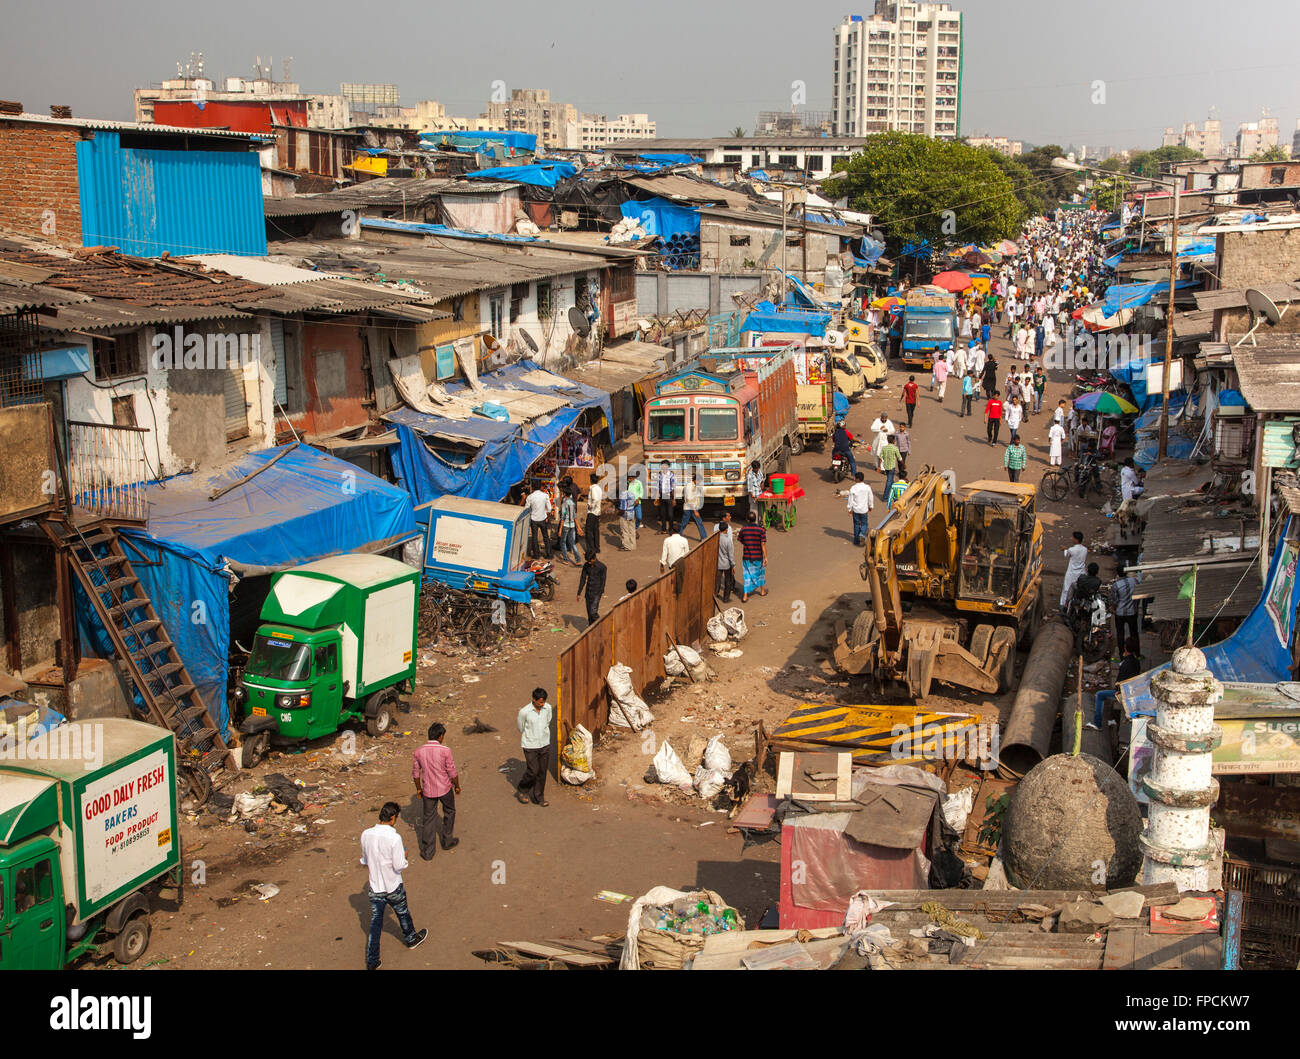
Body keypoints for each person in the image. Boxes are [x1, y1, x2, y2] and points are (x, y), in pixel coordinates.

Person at [361, 802, 427, 970]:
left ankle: (372, 960)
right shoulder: (394, 838)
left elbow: (364, 860)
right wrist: (404, 856)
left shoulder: (366, 834)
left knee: (375, 924)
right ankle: (411, 938)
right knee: (403, 913)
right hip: (392, 884)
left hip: (375, 886)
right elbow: (398, 865)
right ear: (392, 818)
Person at [412, 722, 459, 860]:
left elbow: (415, 774)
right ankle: (447, 840)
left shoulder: (418, 752)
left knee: (428, 819)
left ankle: (428, 851)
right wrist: (457, 786)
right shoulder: (445, 751)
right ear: (440, 736)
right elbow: (452, 771)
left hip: (428, 791)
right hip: (444, 788)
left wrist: (419, 789)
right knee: (449, 812)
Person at [1087, 643, 1142, 730]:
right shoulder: (1136, 662)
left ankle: (1097, 724)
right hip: (1133, 690)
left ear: (1126, 649)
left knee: (1100, 695)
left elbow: (1120, 681)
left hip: (1123, 692)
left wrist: (1117, 690)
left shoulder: (1125, 663)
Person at [516, 688, 553, 806]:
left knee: (542, 771)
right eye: (540, 702)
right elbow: (521, 727)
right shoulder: (524, 712)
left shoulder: (548, 708)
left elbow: (548, 722)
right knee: (533, 770)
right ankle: (523, 789)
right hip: (530, 745)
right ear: (534, 699)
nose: (542, 704)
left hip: (544, 743)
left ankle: (539, 797)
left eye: (544, 702)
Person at [736, 509, 768, 601]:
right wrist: (765, 557)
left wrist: (747, 544)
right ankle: (762, 591)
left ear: (747, 520)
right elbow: (763, 544)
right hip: (758, 556)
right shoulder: (761, 530)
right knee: (760, 573)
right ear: (755, 519)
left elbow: (740, 539)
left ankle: (745, 596)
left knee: (747, 575)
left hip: (747, 556)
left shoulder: (743, 529)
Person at [1112, 565, 1139, 656]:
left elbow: (1115, 600)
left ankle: (1121, 654)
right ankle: (1137, 653)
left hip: (1120, 612)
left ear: (1118, 574)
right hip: (1132, 611)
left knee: (1120, 634)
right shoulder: (1134, 581)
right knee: (1134, 633)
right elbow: (1138, 594)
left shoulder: (1116, 585)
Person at [575, 550, 606, 627]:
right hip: (588, 592)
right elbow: (583, 579)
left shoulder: (602, 567)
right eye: (587, 561)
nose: (589, 563)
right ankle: (592, 628)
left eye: (590, 561)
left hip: (597, 593)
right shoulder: (586, 566)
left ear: (594, 559)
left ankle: (602, 625)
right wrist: (579, 592)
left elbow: (603, 581)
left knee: (593, 612)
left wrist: (600, 593)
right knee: (589, 614)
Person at [1061, 531, 1088, 614]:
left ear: (1076, 540)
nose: (1071, 539)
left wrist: (1064, 549)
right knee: (1078, 590)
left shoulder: (1071, 550)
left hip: (1071, 573)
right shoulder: (1085, 549)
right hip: (1081, 573)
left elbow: (1067, 554)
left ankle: (1063, 606)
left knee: (1066, 589)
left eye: (1073, 538)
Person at [524, 484, 552, 559]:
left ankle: (536, 555)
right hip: (543, 518)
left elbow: (526, 508)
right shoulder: (545, 495)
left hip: (534, 519)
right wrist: (547, 517)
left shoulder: (530, 497)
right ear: (541, 487)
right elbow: (549, 508)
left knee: (534, 537)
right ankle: (549, 554)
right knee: (546, 537)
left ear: (532, 488)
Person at [847, 471, 874, 546]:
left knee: (856, 524)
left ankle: (856, 540)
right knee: (864, 523)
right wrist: (871, 506)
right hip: (864, 510)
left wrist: (849, 509)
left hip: (855, 510)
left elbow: (850, 499)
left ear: (857, 479)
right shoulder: (867, 487)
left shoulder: (853, 488)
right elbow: (870, 497)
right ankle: (862, 534)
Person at [715, 511, 737, 602]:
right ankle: (726, 598)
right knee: (727, 581)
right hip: (727, 564)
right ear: (726, 530)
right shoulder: (728, 541)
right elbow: (730, 554)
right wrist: (733, 565)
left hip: (718, 563)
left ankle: (715, 595)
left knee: (717, 580)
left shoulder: (716, 539)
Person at [679, 474, 707, 539]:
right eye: (699, 481)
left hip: (691, 507)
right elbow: (689, 500)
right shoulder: (689, 486)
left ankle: (704, 537)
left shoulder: (694, 485)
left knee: (685, 523)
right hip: (690, 508)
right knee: (696, 522)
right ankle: (704, 537)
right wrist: (695, 511)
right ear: (695, 480)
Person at [557, 489, 580, 566]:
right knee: (572, 543)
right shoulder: (573, 503)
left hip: (566, 525)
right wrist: (578, 527)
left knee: (563, 542)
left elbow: (563, 517)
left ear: (564, 494)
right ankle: (578, 560)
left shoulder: (564, 503)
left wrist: (560, 529)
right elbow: (575, 516)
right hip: (572, 525)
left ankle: (566, 559)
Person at [655, 461, 676, 534]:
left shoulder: (671, 475)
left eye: (665, 465)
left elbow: (673, 488)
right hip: (661, 496)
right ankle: (663, 529)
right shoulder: (659, 475)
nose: (664, 467)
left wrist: (674, 499)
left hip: (669, 496)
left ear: (668, 466)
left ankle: (670, 529)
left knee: (670, 514)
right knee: (662, 514)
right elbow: (657, 487)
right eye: (662, 465)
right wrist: (656, 498)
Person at [879, 433, 901, 499]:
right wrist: (903, 464)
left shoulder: (884, 448)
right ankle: (885, 497)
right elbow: (899, 458)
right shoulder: (895, 448)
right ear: (894, 441)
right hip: (891, 467)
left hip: (886, 467)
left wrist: (879, 466)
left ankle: (893, 494)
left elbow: (880, 457)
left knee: (891, 480)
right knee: (889, 481)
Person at [585, 478, 603, 556]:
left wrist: (591, 506)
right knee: (595, 530)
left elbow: (595, 499)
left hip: (592, 512)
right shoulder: (599, 488)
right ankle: (596, 548)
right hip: (597, 512)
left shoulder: (593, 488)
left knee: (589, 531)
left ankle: (591, 549)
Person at [618, 484, 638, 551]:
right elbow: (635, 503)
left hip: (625, 515)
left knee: (625, 530)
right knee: (632, 530)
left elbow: (623, 508)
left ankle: (627, 546)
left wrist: (618, 514)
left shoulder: (623, 495)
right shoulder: (632, 494)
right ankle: (633, 545)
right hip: (632, 513)